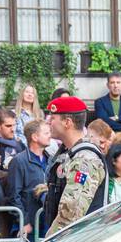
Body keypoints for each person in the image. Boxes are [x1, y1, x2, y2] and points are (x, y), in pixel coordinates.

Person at [45, 96, 108, 234]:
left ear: (67, 122)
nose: (48, 122)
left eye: (52, 118)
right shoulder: (69, 153)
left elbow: (71, 214)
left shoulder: (85, 159)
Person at [7, 118, 50, 239]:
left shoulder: (51, 160)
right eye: (46, 133)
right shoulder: (19, 161)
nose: (50, 136)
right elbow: (13, 195)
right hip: (29, 224)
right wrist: (23, 222)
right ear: (35, 137)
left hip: (46, 222)